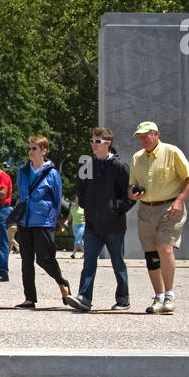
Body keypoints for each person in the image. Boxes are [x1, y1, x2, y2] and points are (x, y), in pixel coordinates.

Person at [128, 121, 189, 315]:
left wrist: (180, 200)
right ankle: (158, 297)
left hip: (170, 207)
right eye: (139, 137)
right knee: (150, 253)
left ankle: (169, 295)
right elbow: (131, 185)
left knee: (164, 247)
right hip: (146, 209)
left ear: (156, 134)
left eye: (145, 136)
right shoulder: (137, 158)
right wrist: (132, 193)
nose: (142, 140)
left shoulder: (172, 151)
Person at [65, 127, 133, 312]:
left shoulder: (120, 167)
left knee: (118, 263)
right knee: (88, 263)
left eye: (97, 142)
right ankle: (84, 298)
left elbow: (130, 195)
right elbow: (81, 189)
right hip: (93, 225)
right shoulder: (87, 166)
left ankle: (123, 299)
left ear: (108, 143)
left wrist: (117, 208)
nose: (93, 145)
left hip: (114, 225)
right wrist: (88, 206)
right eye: (92, 141)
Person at [14, 136, 71, 308]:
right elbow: (21, 196)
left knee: (45, 259)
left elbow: (56, 199)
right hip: (25, 221)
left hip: (43, 222)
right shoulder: (22, 171)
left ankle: (63, 283)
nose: (31, 152)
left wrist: (52, 220)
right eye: (30, 148)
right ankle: (29, 298)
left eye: (34, 148)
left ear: (44, 151)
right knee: (26, 261)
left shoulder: (52, 174)